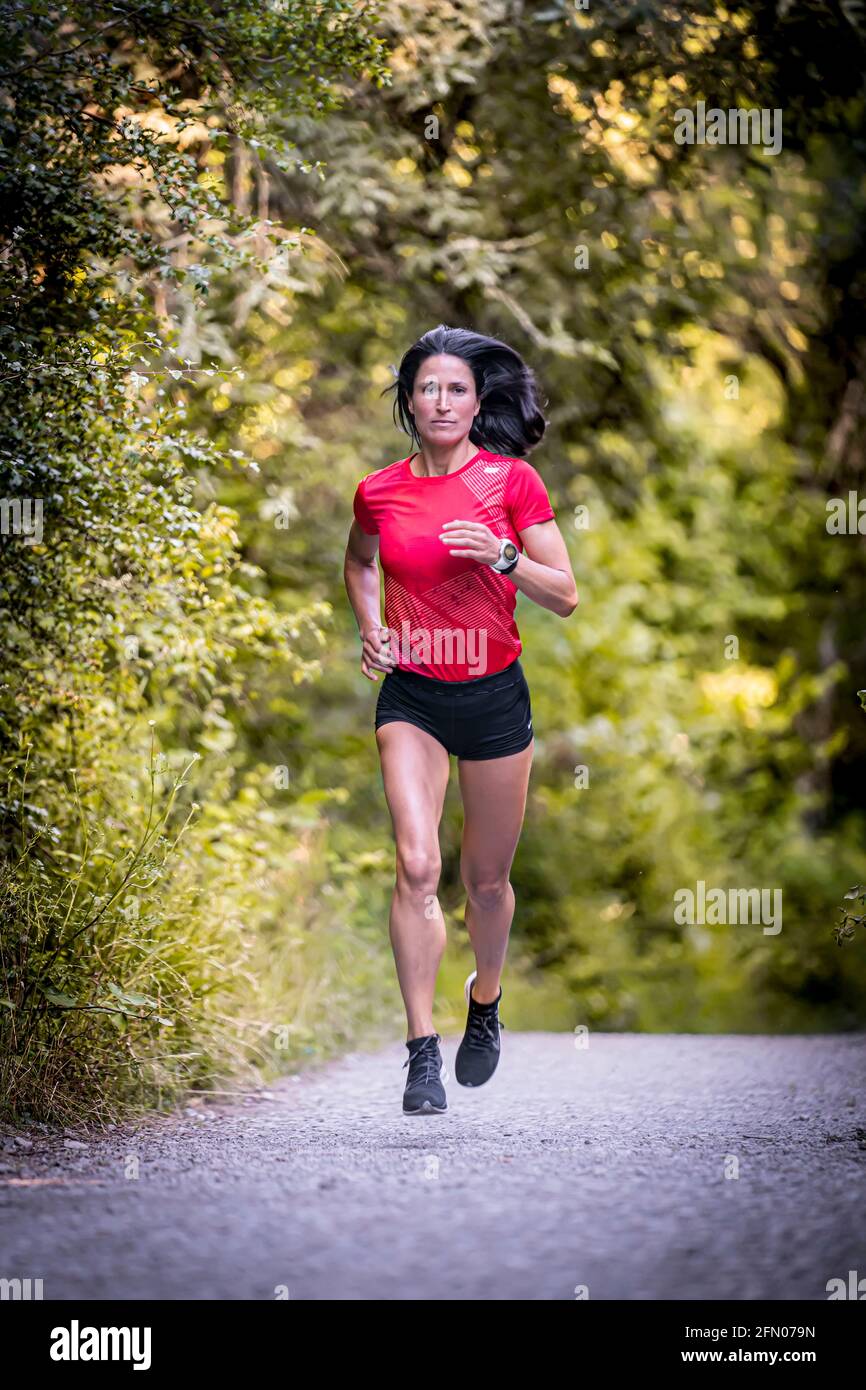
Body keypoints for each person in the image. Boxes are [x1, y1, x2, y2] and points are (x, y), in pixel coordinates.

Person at [343, 324, 578, 1114]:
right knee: (416, 866)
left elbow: (566, 595)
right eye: (427, 388)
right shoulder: (379, 490)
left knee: (485, 881)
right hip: (411, 694)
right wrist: (370, 625)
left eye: (456, 389)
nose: (441, 401)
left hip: (492, 697)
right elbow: (359, 560)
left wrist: (503, 556)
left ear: (478, 402)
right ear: (409, 401)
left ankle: (485, 1001)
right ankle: (419, 1053)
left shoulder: (512, 483)